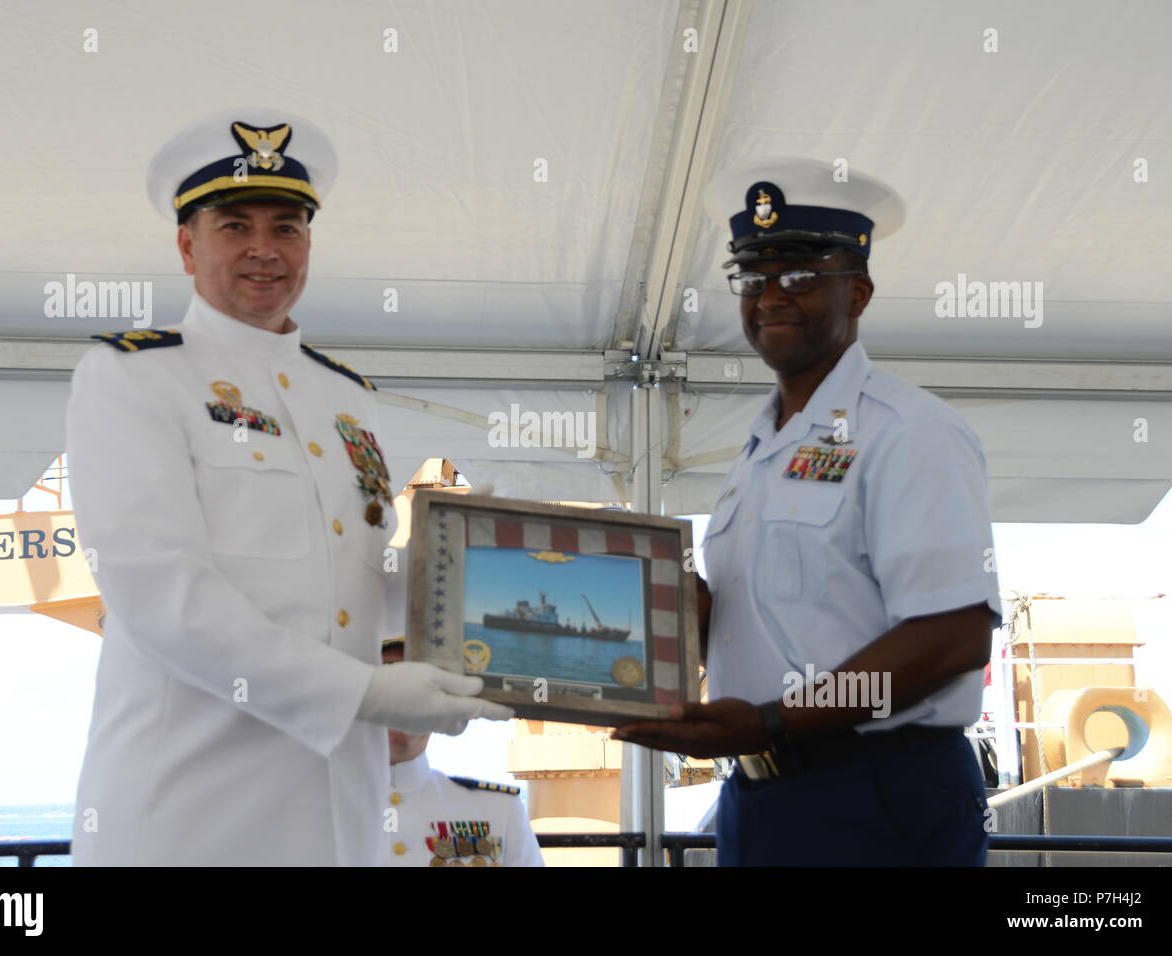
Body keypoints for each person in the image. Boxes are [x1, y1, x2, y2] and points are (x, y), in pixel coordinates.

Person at [65, 108, 511, 866]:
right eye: (235, 225)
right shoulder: (133, 377)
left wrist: (480, 567)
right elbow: (161, 596)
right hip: (189, 815)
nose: (265, 251)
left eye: (287, 227)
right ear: (186, 244)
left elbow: (357, 578)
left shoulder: (347, 398)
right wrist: (367, 695)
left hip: (342, 812)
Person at [614, 158, 1001, 866]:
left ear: (857, 293)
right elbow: (750, 622)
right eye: (753, 278)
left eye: (798, 276)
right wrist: (641, 615)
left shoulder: (909, 431)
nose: (770, 297)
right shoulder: (760, 450)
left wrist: (771, 723)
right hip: (758, 797)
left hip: (877, 794)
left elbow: (954, 637)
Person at [380, 638, 545, 867]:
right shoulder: (318, 805)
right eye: (389, 681)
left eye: (425, 687)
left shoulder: (499, 809)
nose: (407, 701)